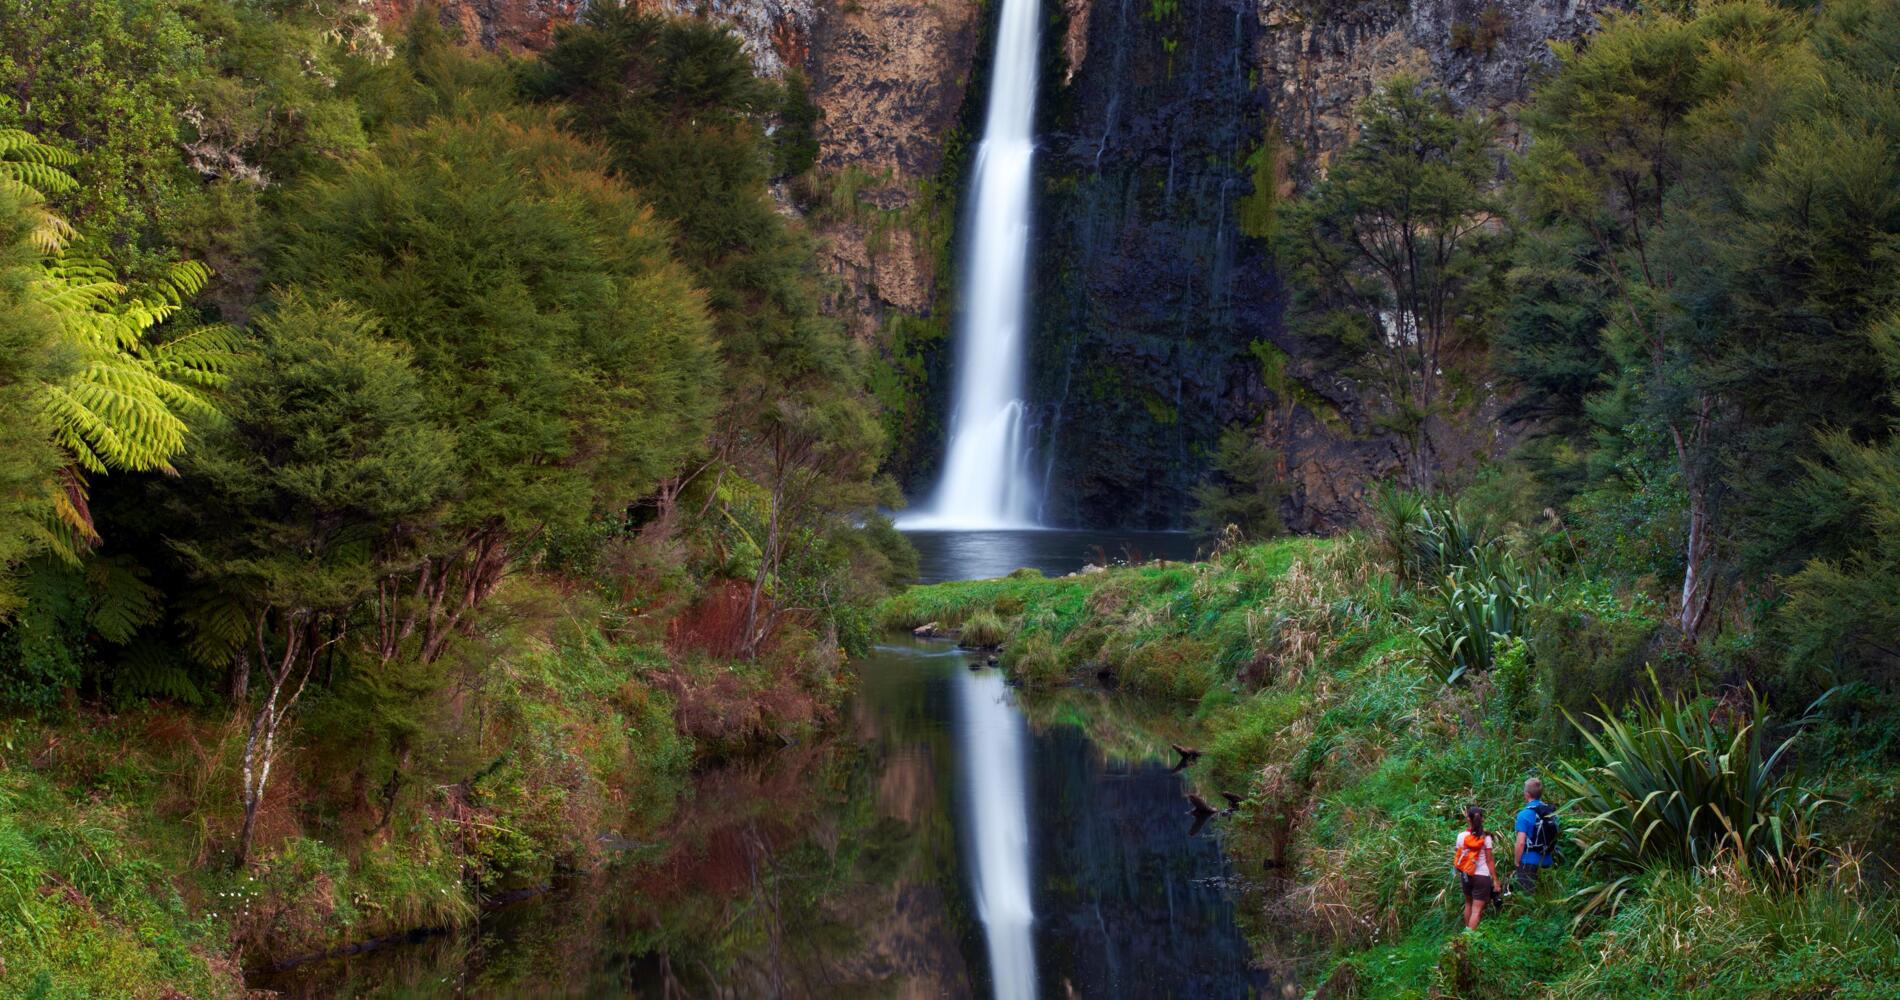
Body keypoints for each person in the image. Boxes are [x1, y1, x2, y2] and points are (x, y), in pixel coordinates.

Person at [1452, 804, 1498, 930]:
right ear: (1482, 819)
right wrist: (1495, 880)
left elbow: (1458, 852)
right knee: (1476, 910)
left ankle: (1465, 935)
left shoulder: (1461, 836)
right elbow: (1489, 860)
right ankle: (1468, 939)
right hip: (1481, 876)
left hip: (1466, 875)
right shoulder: (1486, 837)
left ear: (1468, 818)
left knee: (1468, 903)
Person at [1513, 777, 1559, 892]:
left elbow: (1521, 842)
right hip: (1547, 860)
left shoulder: (1524, 814)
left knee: (1528, 899)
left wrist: (1517, 861)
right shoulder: (1551, 813)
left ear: (1527, 794)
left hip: (1529, 862)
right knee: (1546, 897)